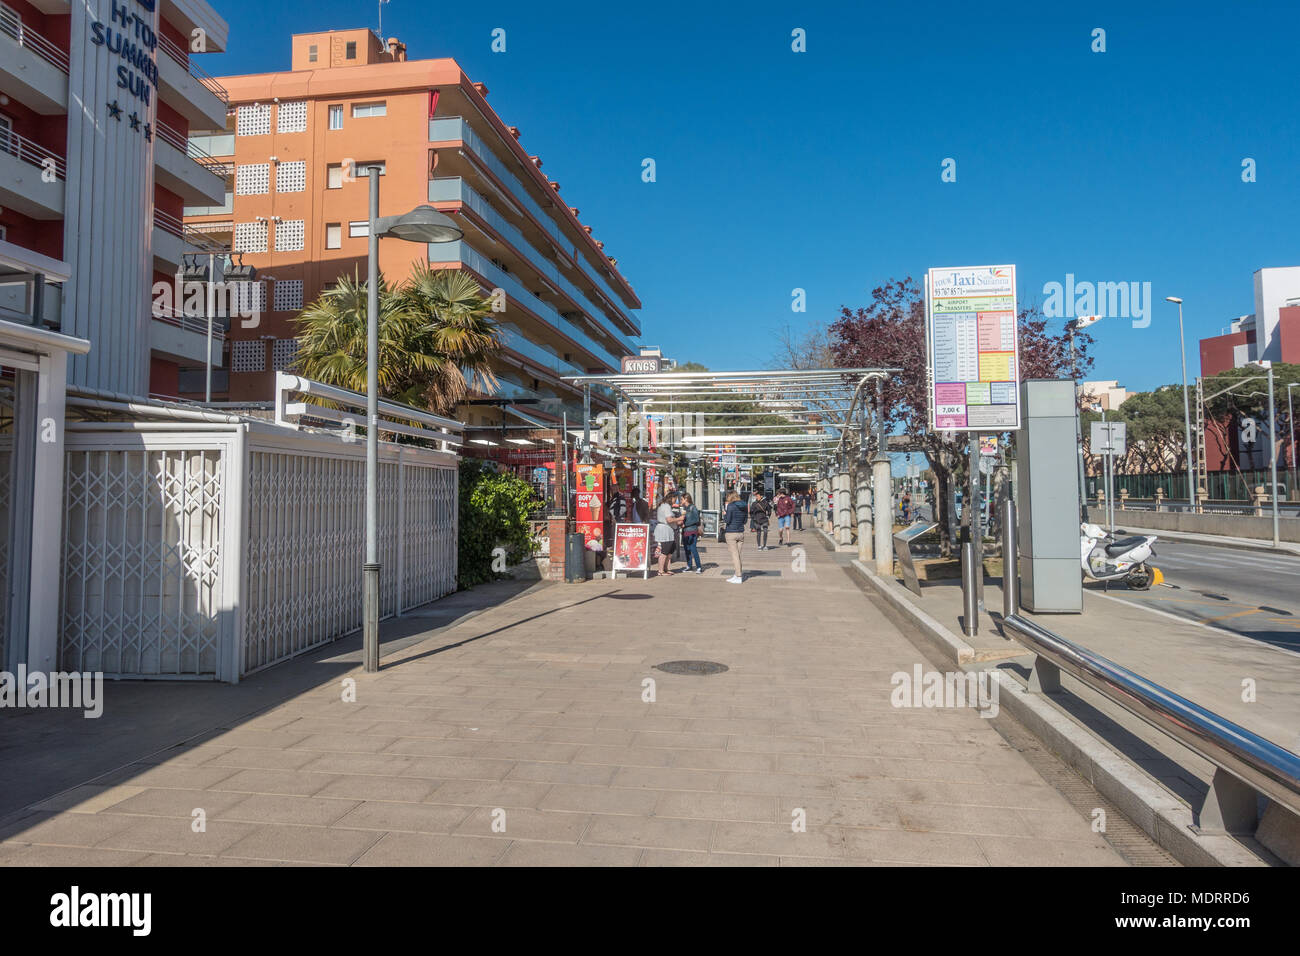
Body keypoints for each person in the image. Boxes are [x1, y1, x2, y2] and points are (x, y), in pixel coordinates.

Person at [654, 492, 682, 576]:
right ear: (671, 498)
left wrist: (677, 521)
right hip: (664, 531)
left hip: (668, 531)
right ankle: (661, 571)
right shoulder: (666, 506)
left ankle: (665, 569)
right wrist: (678, 518)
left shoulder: (666, 506)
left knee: (670, 550)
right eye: (675, 499)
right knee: (665, 551)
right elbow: (669, 519)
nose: (675, 501)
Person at [722, 490, 747, 583]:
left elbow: (727, 520)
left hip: (731, 533)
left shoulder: (731, 506)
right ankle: (736, 574)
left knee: (735, 556)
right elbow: (745, 521)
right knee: (738, 556)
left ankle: (739, 576)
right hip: (741, 532)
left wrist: (725, 514)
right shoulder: (744, 506)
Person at [680, 493, 702, 573]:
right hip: (685, 531)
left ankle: (699, 567)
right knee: (686, 549)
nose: (680, 500)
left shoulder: (693, 507)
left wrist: (685, 524)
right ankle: (689, 566)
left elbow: (696, 519)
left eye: (682, 499)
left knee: (693, 548)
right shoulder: (684, 508)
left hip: (692, 530)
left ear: (686, 499)